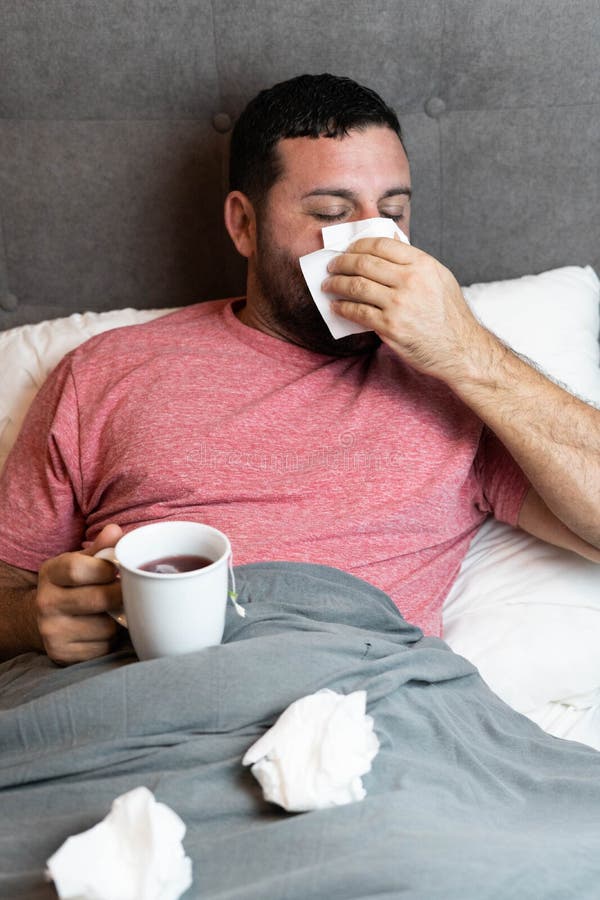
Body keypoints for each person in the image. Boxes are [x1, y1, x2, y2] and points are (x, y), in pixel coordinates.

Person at [0, 73, 599, 665]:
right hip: (159, 700)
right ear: (244, 224)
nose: (373, 243)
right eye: (334, 213)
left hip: (368, 705)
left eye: (392, 212)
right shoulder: (105, 371)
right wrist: (34, 617)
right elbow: (10, 586)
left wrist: (466, 350)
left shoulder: (456, 385)